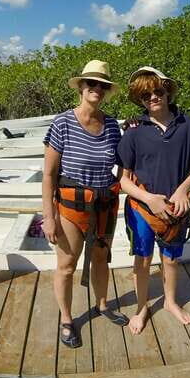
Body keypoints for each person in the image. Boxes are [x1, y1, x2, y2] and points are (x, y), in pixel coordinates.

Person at [41, 59, 129, 349]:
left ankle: (102, 305)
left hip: (103, 205)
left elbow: (122, 164)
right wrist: (49, 217)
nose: (97, 89)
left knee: (102, 259)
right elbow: (49, 174)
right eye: (91, 83)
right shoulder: (63, 123)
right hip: (70, 206)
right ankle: (67, 319)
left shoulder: (113, 126)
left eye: (102, 85)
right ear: (81, 86)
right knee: (67, 265)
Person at [117, 67, 190, 335]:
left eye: (158, 91)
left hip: (176, 207)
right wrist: (149, 199)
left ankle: (170, 302)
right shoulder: (133, 131)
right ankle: (141, 308)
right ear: (140, 100)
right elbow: (123, 180)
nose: (153, 97)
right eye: (146, 95)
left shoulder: (188, 125)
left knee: (171, 260)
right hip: (142, 208)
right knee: (142, 261)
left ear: (167, 91)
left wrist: (182, 191)